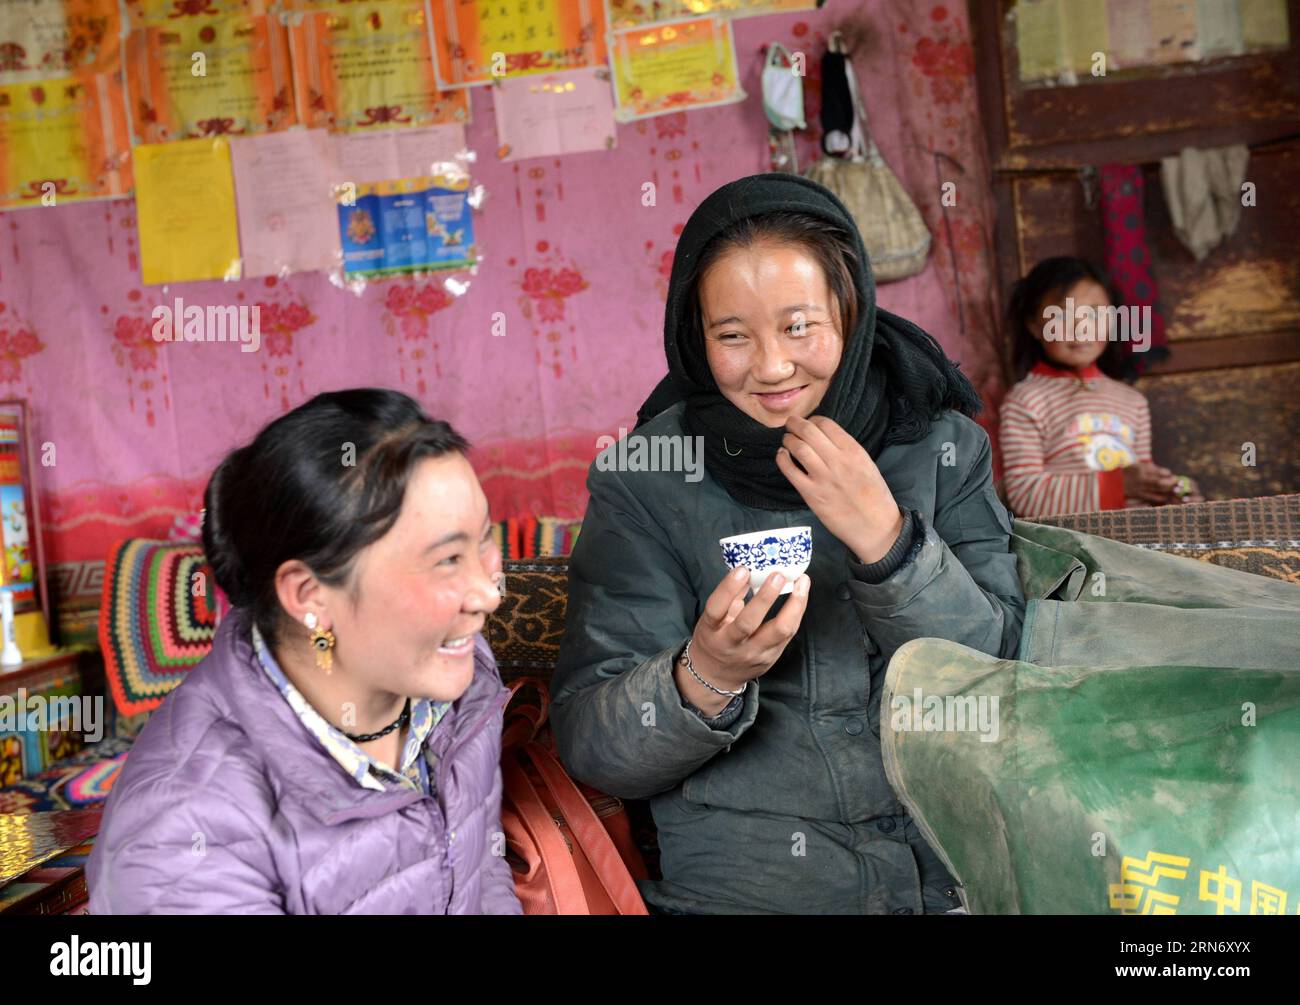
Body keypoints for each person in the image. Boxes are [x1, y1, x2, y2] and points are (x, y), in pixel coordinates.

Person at [550, 173, 1025, 915]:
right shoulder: (645, 478)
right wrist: (704, 675)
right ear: (693, 337)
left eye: (799, 326)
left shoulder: (939, 446)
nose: (771, 368)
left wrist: (889, 541)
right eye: (732, 336)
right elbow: (593, 744)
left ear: (851, 309)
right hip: (750, 895)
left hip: (965, 880)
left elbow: (1008, 684)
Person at [86, 389, 521, 914]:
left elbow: (480, 872)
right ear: (310, 597)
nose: (489, 594)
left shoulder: (460, 679)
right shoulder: (185, 836)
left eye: (484, 540)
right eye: (448, 559)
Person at [999, 256, 1202, 519]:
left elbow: (1142, 491)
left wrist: (1169, 495)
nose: (1082, 328)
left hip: (1136, 542)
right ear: (1035, 326)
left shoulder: (1132, 402)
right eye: (1062, 314)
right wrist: (1119, 483)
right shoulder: (1025, 400)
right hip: (1072, 550)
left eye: (1095, 314)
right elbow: (1026, 498)